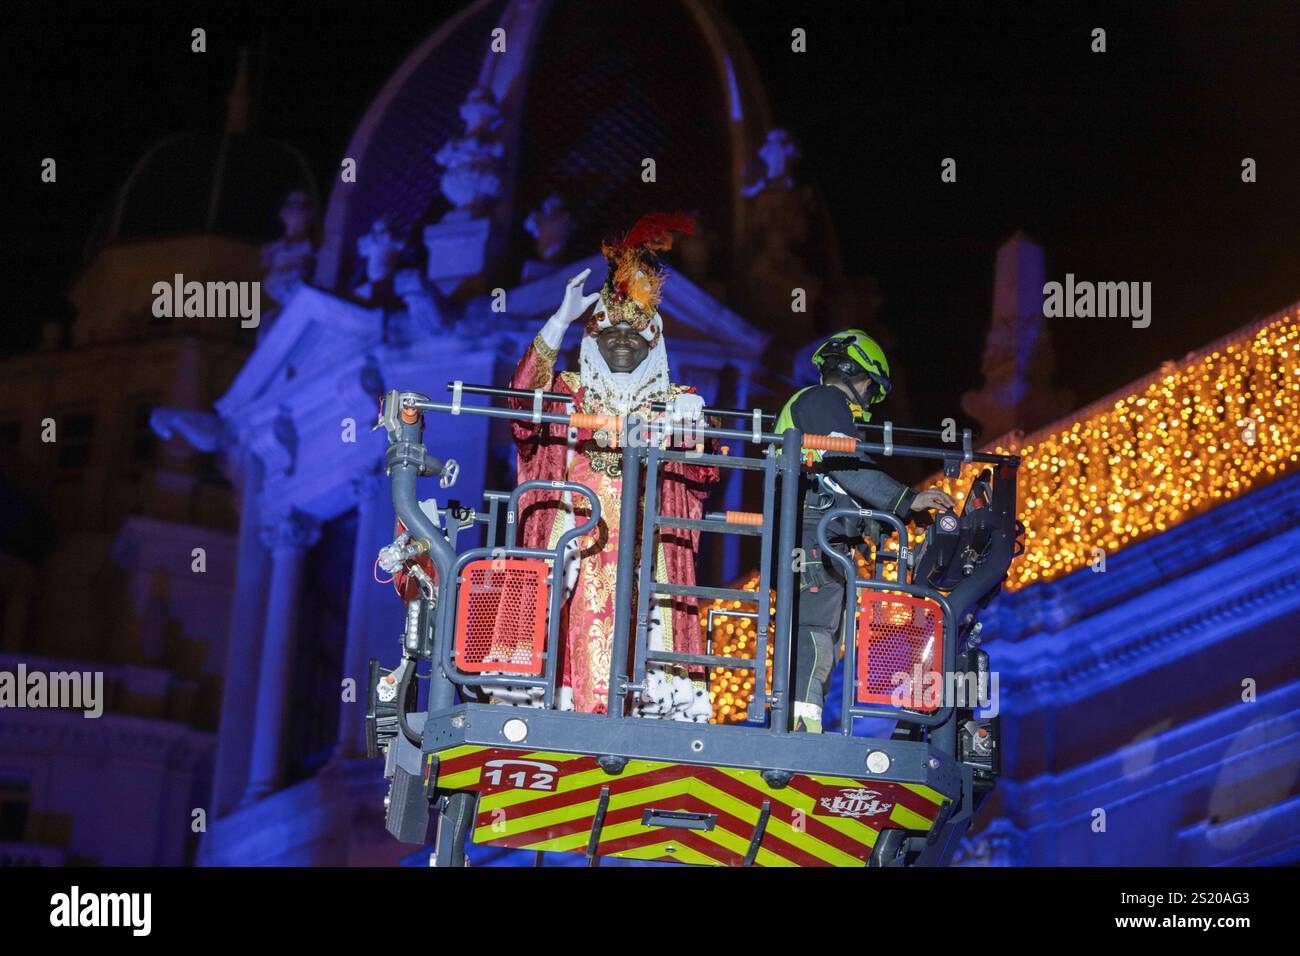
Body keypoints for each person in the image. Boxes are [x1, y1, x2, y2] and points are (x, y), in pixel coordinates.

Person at [499, 212, 718, 721]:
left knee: (642, 649)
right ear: (592, 336)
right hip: (574, 547)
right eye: (609, 328)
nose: (622, 339)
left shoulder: (676, 399)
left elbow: (703, 477)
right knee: (565, 652)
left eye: (634, 331)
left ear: (654, 341)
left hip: (648, 554)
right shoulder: (567, 390)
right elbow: (520, 408)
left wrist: (692, 430)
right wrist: (558, 321)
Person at [776, 329, 956, 733]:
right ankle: (800, 728)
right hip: (810, 537)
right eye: (871, 388)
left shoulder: (818, 407)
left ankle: (803, 721)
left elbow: (839, 481)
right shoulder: (823, 400)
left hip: (819, 534)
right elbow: (846, 466)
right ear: (857, 373)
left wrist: (890, 517)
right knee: (816, 628)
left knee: (829, 634)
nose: (870, 399)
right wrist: (907, 501)